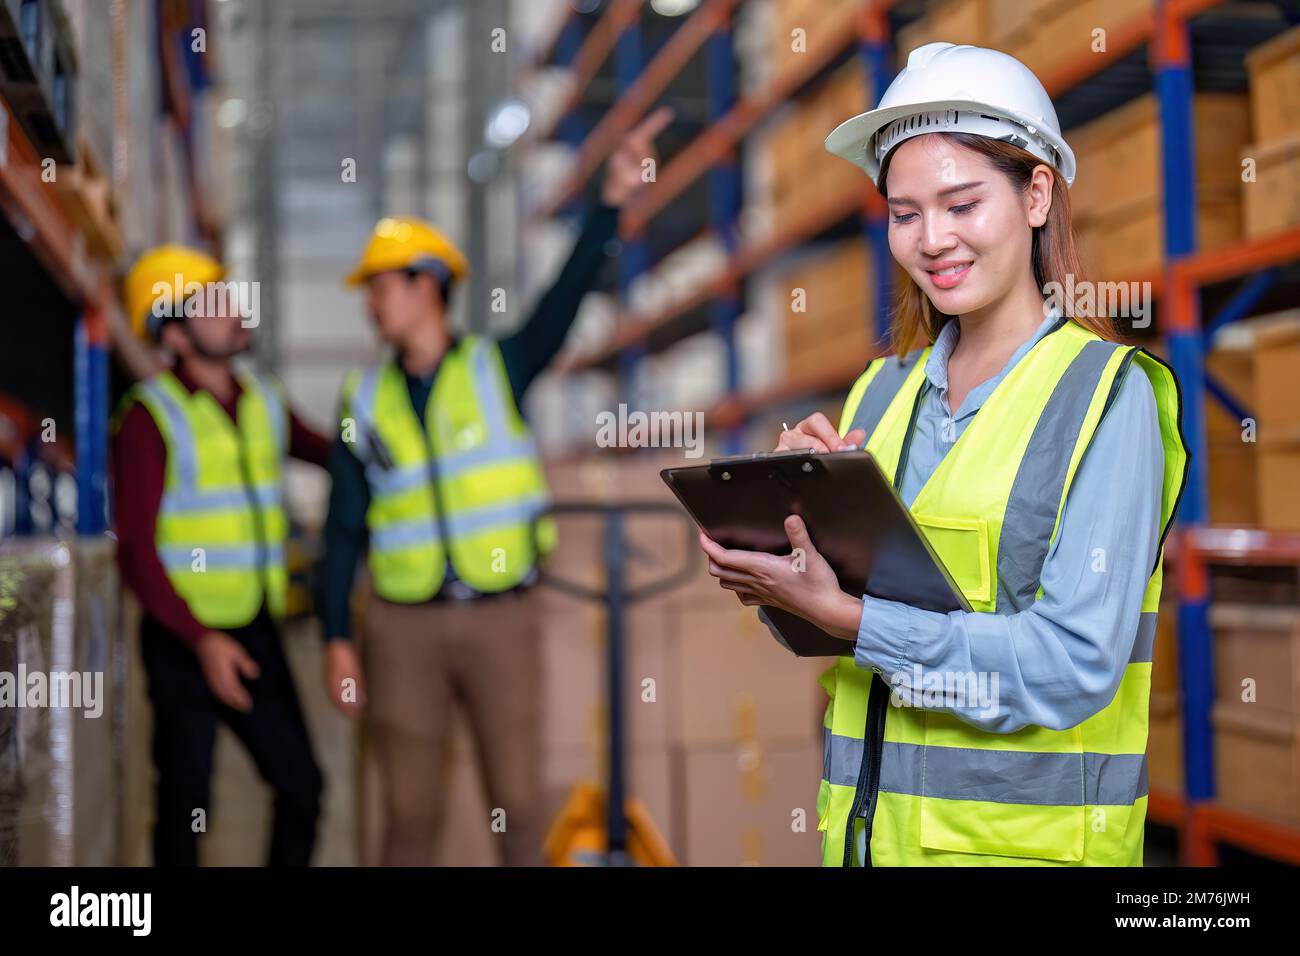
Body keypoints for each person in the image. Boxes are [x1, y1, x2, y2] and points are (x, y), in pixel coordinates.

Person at [698, 43, 1189, 867]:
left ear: (1037, 195)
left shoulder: (1110, 398)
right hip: (866, 845)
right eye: (905, 212)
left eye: (962, 204)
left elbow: (1072, 666)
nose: (932, 240)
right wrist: (784, 530)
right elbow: (838, 638)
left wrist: (851, 617)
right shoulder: (878, 396)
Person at [319, 108, 674, 866]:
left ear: (426, 287)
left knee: (515, 804)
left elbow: (564, 300)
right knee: (409, 814)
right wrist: (336, 638)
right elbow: (343, 524)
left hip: (501, 620)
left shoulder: (498, 369)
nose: (370, 300)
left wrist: (609, 202)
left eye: (380, 285)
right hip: (402, 627)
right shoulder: (360, 399)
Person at [113, 245, 330, 866]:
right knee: (184, 810)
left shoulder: (262, 402)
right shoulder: (149, 420)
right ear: (174, 334)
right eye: (213, 303)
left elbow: (327, 451)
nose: (234, 311)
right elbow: (135, 552)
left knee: (303, 789)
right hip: (183, 641)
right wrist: (200, 639)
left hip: (255, 630)